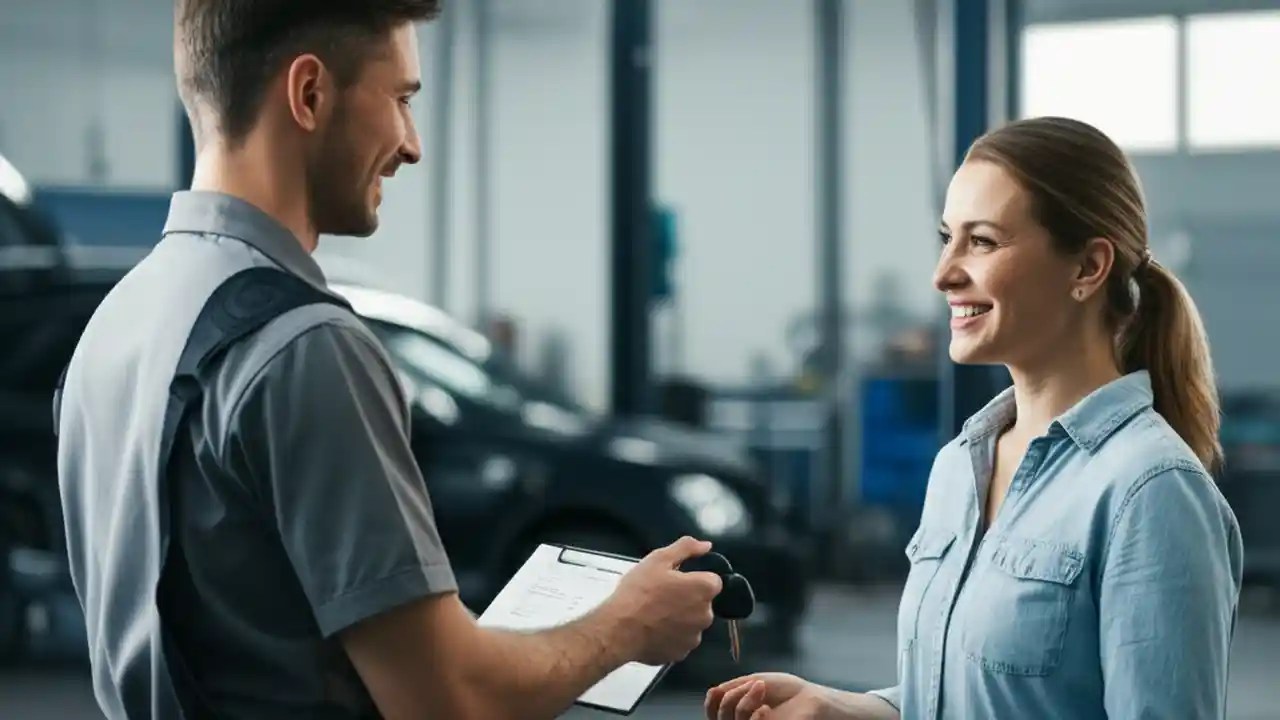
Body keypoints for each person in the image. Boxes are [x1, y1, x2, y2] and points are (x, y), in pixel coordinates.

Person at [55, 2, 723, 718]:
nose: (412, 145)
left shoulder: (116, 324)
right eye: (401, 100)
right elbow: (448, 701)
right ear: (309, 93)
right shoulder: (305, 348)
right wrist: (628, 624)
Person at [706, 116, 1243, 719]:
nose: (943, 274)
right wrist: (849, 708)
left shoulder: (1150, 491)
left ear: (1088, 268)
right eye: (947, 238)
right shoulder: (960, 466)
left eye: (982, 241)